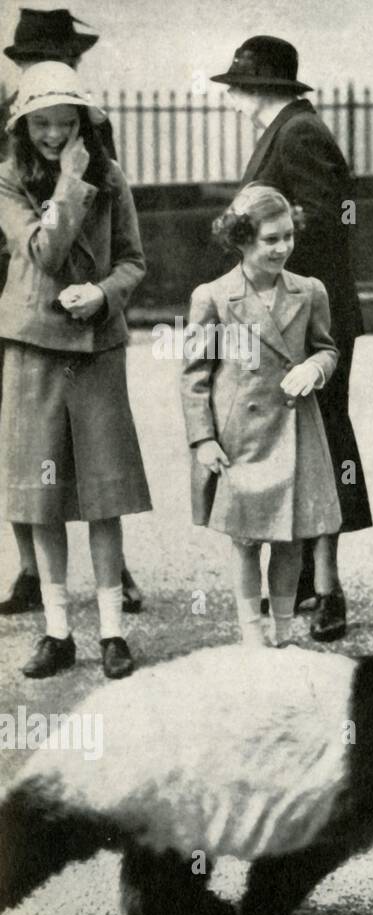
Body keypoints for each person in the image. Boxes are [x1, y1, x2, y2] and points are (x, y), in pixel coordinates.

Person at [211, 35, 373, 641]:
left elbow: (327, 215)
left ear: (258, 88)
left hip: (311, 321)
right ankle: (303, 578)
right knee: (294, 444)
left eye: (237, 82)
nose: (231, 93)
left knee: (326, 444)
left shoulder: (298, 131)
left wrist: (254, 235)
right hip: (285, 320)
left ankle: (329, 589)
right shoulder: (286, 128)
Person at [0, 63, 148, 679]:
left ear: (85, 122)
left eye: (66, 121)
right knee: (41, 501)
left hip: (96, 352)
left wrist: (104, 296)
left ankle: (112, 632)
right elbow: (44, 250)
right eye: (42, 123)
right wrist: (67, 182)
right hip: (33, 351)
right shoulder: (7, 180)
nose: (55, 133)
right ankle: (58, 632)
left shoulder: (110, 177)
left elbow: (134, 262)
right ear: (23, 125)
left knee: (104, 496)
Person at [180, 183, 342, 649]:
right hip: (241, 438)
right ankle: (253, 635)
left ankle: (285, 631)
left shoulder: (309, 291)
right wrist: (203, 439)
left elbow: (327, 349)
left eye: (288, 236)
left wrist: (315, 367)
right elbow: (195, 374)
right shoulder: (213, 296)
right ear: (242, 238)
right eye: (271, 239)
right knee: (247, 540)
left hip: (295, 428)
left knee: (291, 539)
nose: (282, 247)